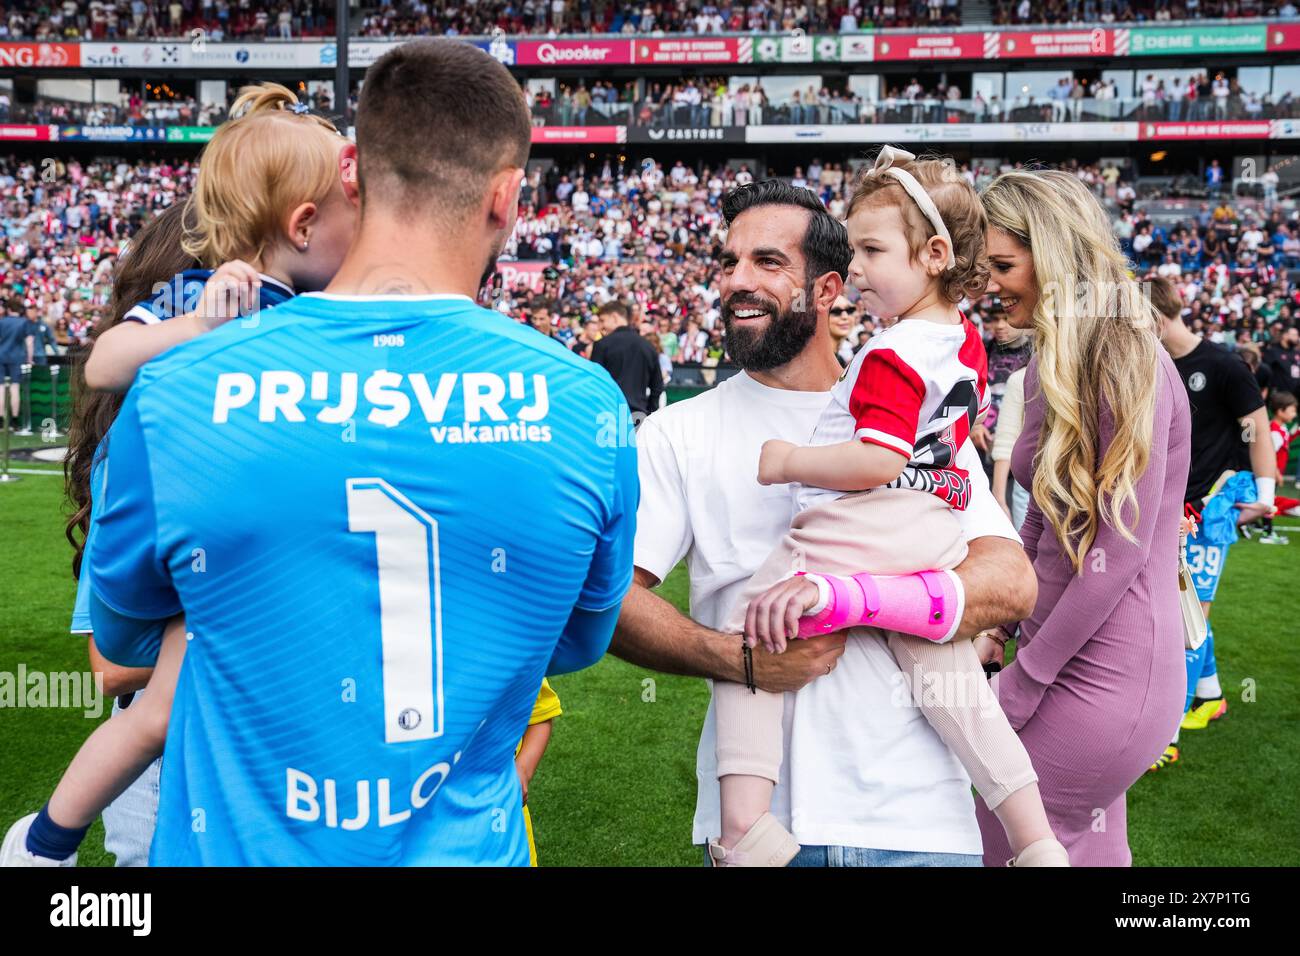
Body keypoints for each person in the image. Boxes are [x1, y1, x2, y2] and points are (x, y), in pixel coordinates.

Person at [66, 39, 632, 867]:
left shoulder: (179, 388)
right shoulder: (587, 404)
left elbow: (120, 640)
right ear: (507, 199)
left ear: (356, 176)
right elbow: (578, 641)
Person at [613, 178, 1038, 869]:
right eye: (729, 263)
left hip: (923, 823)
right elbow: (608, 600)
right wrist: (740, 658)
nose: (737, 282)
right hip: (769, 838)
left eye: (767, 262)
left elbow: (1011, 586)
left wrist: (860, 600)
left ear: (829, 287)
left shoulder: (917, 415)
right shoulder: (675, 433)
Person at [2, 84, 360, 867]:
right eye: (349, 208)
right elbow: (103, 362)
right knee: (158, 708)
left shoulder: (328, 311)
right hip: (198, 558)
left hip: (248, 564)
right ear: (302, 222)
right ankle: (43, 843)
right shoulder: (205, 296)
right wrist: (196, 327)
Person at [977, 171, 1190, 866]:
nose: (992, 285)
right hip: (1065, 655)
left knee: (985, 833)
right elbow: (1041, 520)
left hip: (1109, 672)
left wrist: (1025, 679)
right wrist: (1004, 624)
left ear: (1056, 253)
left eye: (1005, 265)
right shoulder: (1049, 362)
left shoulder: (1128, 355)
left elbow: (1117, 550)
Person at [1146, 276, 1273, 769]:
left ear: (1156, 317)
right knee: (1186, 605)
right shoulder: (1156, 365)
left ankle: (1166, 734)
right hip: (1172, 504)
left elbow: (1257, 427)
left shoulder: (1223, 364)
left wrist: (1264, 496)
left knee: (1186, 616)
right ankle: (1213, 694)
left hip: (1212, 506)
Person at [590, 300, 663, 418]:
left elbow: (595, 383)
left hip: (609, 414)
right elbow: (657, 386)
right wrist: (649, 411)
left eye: (602, 320)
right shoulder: (647, 347)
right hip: (638, 416)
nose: (600, 327)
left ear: (614, 317)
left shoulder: (602, 345)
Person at [0, 297, 32, 428]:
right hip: (17, 357)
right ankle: (14, 421)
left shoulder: (2, 322)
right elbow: (29, 342)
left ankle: (1, 421)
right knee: (14, 387)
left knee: (1, 388)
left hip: (1, 355)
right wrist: (29, 359)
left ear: (8, 309)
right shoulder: (24, 322)